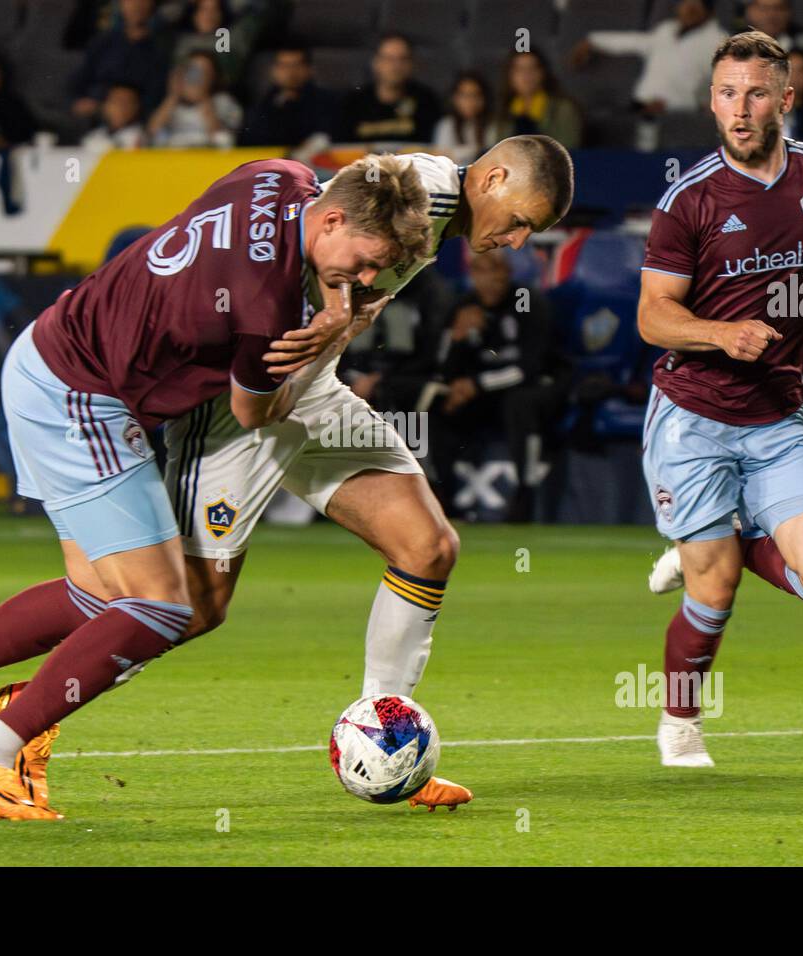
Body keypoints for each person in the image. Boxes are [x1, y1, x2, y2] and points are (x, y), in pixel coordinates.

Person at [0, 154, 434, 821]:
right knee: (163, 606)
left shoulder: (279, 176)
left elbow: (331, 205)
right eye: (364, 263)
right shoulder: (267, 306)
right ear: (332, 220)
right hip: (81, 395)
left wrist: (336, 298)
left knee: (97, 597)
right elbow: (256, 414)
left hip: (54, 356)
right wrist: (343, 329)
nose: (363, 279)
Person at [153, 135, 574, 810]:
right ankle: (32, 713)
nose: (519, 240)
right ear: (493, 176)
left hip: (312, 395)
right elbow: (335, 205)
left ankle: (387, 741)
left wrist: (348, 316)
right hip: (242, 404)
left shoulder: (445, 220)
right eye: (523, 219)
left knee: (428, 547)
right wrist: (338, 308)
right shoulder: (426, 185)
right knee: (193, 606)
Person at [636, 33, 803, 766]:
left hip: (780, 414)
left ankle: (710, 544)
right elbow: (653, 314)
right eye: (725, 93)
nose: (739, 109)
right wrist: (721, 334)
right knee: (713, 593)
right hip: (692, 417)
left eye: (755, 93)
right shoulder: (687, 199)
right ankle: (681, 724)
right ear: (712, 99)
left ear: (785, 98)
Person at [427, 248, 565, 522]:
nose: (489, 281)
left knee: (520, 403)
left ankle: (524, 496)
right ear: (472, 276)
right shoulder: (463, 306)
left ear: (508, 273)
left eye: (496, 273)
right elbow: (443, 369)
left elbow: (530, 368)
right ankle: (439, 496)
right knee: (433, 405)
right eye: (481, 273)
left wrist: (476, 384)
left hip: (534, 387)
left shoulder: (527, 301)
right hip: (486, 395)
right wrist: (455, 338)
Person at [571, 0, 728, 114]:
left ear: (708, 12)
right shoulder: (666, 30)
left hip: (679, 112)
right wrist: (594, 41)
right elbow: (634, 41)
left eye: (694, 8)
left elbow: (727, 78)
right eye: (685, 5)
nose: (687, 11)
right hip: (640, 106)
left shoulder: (718, 40)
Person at [72, 0, 173, 120]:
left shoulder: (159, 52)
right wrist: (80, 102)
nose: (136, 6)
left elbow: (154, 97)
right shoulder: (103, 42)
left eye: (143, 1)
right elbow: (78, 82)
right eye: (130, 1)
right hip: (93, 113)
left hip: (131, 120)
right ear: (121, 4)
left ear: (152, 5)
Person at [340, 33, 440, 143]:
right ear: (376, 63)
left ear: (412, 64)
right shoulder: (353, 102)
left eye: (403, 59)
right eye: (389, 59)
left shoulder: (426, 101)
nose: (396, 66)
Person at [238, 44, 340, 149]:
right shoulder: (261, 104)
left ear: (309, 69)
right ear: (274, 70)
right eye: (284, 66)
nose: (291, 72)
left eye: (297, 65)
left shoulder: (326, 101)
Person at [147, 51, 242, 147]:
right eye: (193, 70)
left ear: (214, 75)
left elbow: (224, 140)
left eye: (204, 72)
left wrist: (204, 99)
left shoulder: (224, 102)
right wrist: (174, 94)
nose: (198, 76)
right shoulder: (172, 103)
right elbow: (152, 132)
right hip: (174, 156)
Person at [492, 50, 582, 150]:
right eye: (519, 69)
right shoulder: (503, 110)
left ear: (543, 73)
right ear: (509, 75)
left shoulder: (563, 108)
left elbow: (568, 150)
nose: (526, 75)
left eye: (532, 68)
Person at [432, 71, 497, 164]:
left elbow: (491, 153)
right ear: (454, 98)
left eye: (475, 95)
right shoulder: (446, 125)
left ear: (485, 99)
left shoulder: (493, 125)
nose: (470, 101)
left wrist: (455, 153)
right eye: (464, 95)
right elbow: (440, 157)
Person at [81, 82, 147, 151]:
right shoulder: (93, 136)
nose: (121, 108)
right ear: (105, 105)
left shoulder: (141, 137)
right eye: (116, 102)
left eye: (127, 103)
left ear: (136, 107)